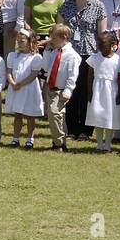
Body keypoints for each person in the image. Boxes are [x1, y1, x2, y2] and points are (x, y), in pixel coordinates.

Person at [56, 0, 105, 140]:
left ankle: (85, 129)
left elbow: (101, 33)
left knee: (86, 91)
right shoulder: (66, 6)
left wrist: (101, 55)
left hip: (89, 54)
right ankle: (71, 129)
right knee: (71, 90)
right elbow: (59, 30)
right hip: (70, 53)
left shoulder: (97, 6)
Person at [86, 30, 120, 152]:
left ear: (113, 44)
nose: (99, 46)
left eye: (103, 44)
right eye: (98, 43)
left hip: (111, 93)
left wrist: (119, 94)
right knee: (97, 116)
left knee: (110, 118)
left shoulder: (119, 60)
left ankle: (107, 144)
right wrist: (90, 93)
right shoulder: (94, 58)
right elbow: (90, 76)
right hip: (97, 91)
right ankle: (99, 144)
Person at [40, 24, 78, 152]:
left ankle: (60, 144)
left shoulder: (71, 55)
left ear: (64, 37)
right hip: (51, 88)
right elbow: (45, 67)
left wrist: (68, 91)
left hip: (61, 90)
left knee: (55, 114)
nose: (52, 41)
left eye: (54, 38)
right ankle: (58, 142)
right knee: (53, 116)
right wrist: (46, 51)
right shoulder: (55, 51)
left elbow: (73, 76)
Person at [5, 29, 44, 149]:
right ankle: (15, 138)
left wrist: (21, 84)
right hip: (16, 87)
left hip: (28, 88)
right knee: (18, 114)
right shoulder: (13, 55)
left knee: (30, 114)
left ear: (30, 41)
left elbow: (33, 75)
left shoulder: (35, 57)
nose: (19, 43)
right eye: (18, 41)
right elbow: (9, 71)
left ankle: (29, 139)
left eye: (22, 41)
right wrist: (12, 82)